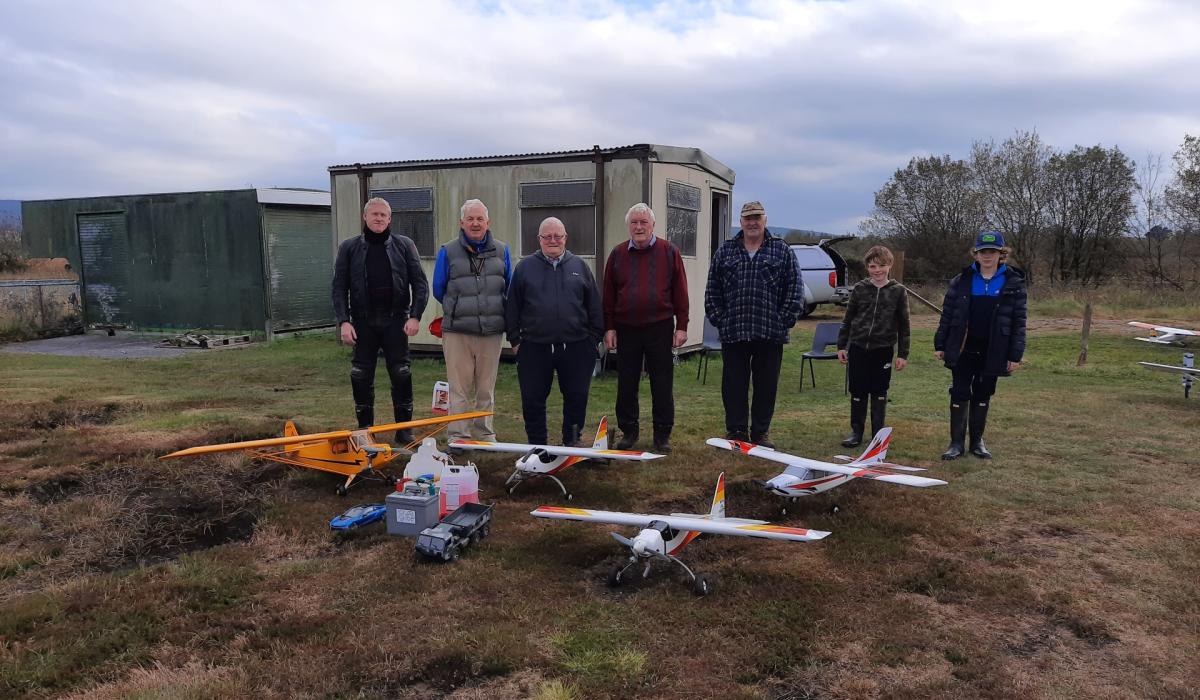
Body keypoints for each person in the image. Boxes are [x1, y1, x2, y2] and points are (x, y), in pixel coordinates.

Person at [703, 201, 805, 449]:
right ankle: (736, 430)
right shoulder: (725, 251)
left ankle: (760, 432)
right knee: (734, 385)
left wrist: (784, 320)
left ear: (765, 220)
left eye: (757, 217)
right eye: (748, 218)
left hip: (769, 332)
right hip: (734, 331)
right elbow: (712, 291)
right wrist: (720, 319)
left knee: (765, 386)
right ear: (741, 222)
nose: (752, 222)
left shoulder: (782, 251)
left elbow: (795, 289)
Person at [332, 197, 429, 443]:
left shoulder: (405, 245)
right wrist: (344, 321)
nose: (379, 218)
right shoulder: (349, 247)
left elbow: (420, 284)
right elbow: (338, 288)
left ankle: (404, 430)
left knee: (401, 373)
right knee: (360, 374)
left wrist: (415, 316)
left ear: (390, 218)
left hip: (396, 320)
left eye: (383, 215)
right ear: (365, 217)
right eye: (374, 214)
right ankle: (366, 430)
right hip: (362, 321)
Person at [505, 217, 603, 446]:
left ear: (565, 238)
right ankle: (537, 445)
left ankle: (572, 442)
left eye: (557, 236)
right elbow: (512, 307)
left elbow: (594, 306)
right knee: (532, 399)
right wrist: (515, 340)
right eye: (547, 236)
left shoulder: (580, 267)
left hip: (577, 346)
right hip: (534, 347)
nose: (553, 240)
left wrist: (593, 340)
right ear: (539, 239)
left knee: (577, 397)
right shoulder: (525, 268)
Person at [602, 203, 689, 454]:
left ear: (653, 225)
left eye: (644, 222)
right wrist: (609, 327)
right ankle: (629, 432)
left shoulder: (669, 251)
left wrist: (681, 326)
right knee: (626, 384)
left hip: (660, 328)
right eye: (634, 223)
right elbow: (608, 295)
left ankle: (662, 436)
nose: (639, 227)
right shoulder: (617, 254)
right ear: (628, 226)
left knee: (662, 384)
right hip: (626, 328)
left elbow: (680, 292)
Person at [933, 231, 1027, 460]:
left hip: (994, 349)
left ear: (1001, 254)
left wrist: (1015, 355)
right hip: (964, 347)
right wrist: (940, 343)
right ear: (976, 254)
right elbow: (948, 314)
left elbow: (1019, 321)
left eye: (992, 252)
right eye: (983, 252)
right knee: (960, 392)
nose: (987, 256)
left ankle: (977, 442)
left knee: (983, 393)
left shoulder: (1013, 282)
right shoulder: (962, 279)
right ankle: (956, 443)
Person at [432, 199, 512, 445]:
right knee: (459, 388)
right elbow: (439, 288)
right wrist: (459, 309)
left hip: (491, 331)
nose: (475, 223)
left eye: (480, 219)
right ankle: (458, 436)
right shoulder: (448, 250)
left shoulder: (502, 250)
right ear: (461, 222)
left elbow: (509, 285)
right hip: (457, 331)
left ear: (488, 222)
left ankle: (485, 434)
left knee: (486, 388)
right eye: (470, 219)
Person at [836, 245, 910, 447]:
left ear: (890, 266)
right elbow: (848, 319)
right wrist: (842, 345)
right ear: (867, 268)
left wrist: (903, 353)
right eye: (872, 266)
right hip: (859, 347)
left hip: (883, 349)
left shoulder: (898, 291)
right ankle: (856, 432)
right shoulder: (860, 289)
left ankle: (878, 436)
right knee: (858, 390)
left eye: (881, 266)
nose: (877, 270)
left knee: (879, 391)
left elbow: (904, 324)